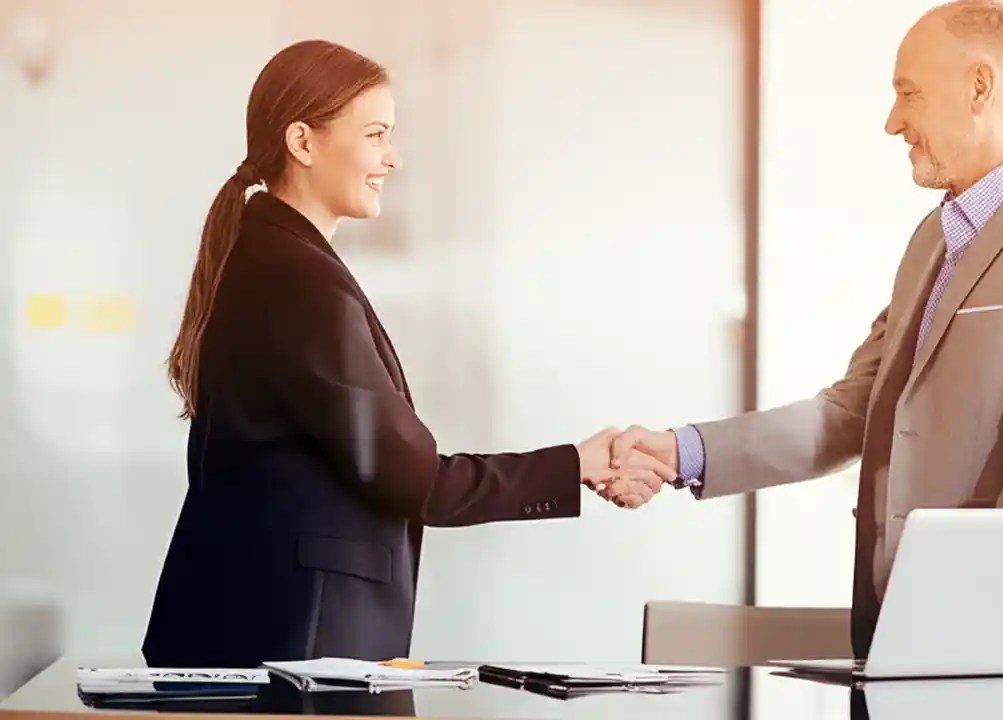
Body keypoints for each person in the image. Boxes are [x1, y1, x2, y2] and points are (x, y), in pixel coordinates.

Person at [598, 0, 1003, 663]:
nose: (893, 123)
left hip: (988, 657)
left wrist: (967, 641)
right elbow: (850, 410)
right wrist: (680, 452)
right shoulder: (932, 243)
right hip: (896, 643)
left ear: (979, 86)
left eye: (907, 93)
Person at [143, 39, 672, 668]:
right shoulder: (297, 279)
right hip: (295, 649)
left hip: (270, 636)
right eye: (375, 134)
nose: (391, 158)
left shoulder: (276, 260)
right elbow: (420, 483)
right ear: (303, 142)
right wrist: (576, 463)